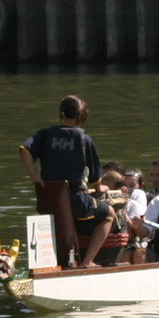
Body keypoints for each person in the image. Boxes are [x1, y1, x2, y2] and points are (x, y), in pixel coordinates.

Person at [19, 97, 104, 267]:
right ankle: (88, 262)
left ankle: (54, 262)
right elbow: (95, 178)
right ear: (83, 116)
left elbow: (24, 149)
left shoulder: (46, 134)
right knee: (109, 215)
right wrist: (99, 189)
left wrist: (35, 179)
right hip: (76, 200)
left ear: (62, 113)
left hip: (49, 200)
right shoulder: (84, 139)